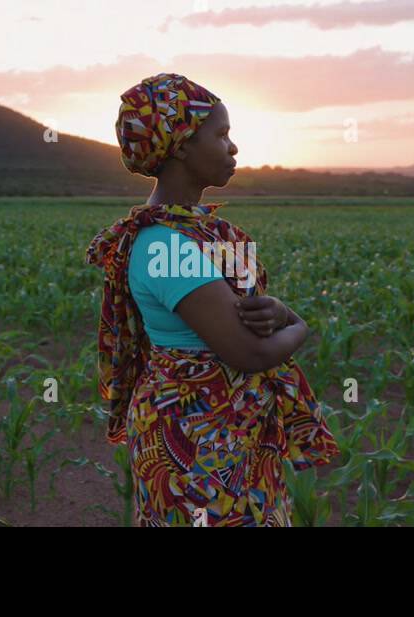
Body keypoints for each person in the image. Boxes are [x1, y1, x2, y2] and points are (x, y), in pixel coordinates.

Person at [85, 73, 338, 526]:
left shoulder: (194, 234)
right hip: (197, 436)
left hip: (219, 429)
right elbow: (249, 351)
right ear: (181, 145)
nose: (233, 147)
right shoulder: (167, 247)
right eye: (220, 135)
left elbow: (248, 322)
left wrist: (276, 310)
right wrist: (298, 325)